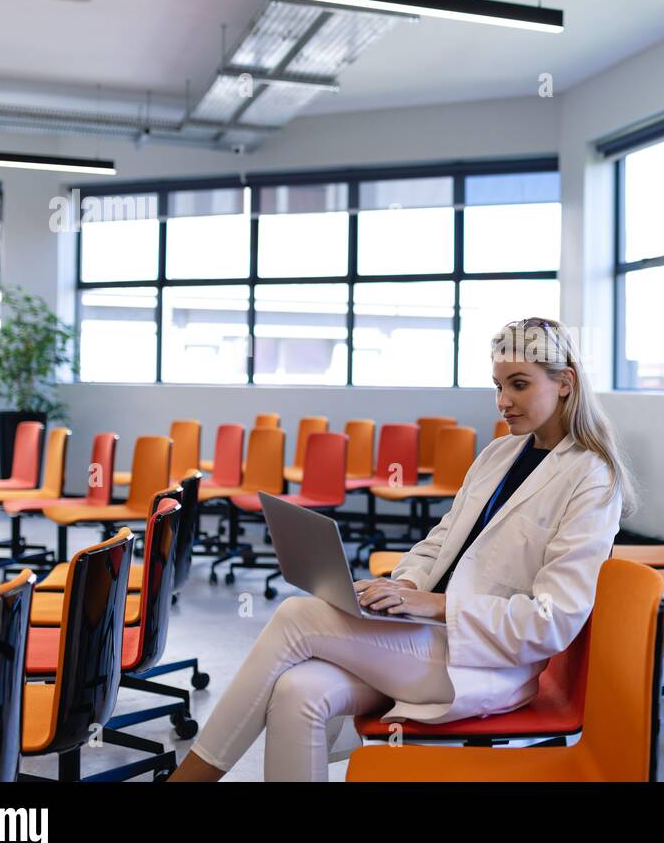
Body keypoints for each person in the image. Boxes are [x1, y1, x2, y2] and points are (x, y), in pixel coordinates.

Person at [170, 316, 636, 781]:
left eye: (518, 384)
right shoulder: (500, 454)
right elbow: (442, 540)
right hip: (427, 637)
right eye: (497, 386)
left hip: (486, 661)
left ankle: (189, 778)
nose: (503, 402)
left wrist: (436, 605)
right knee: (298, 690)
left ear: (565, 383)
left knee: (296, 617)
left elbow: (551, 621)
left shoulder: (592, 478)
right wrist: (403, 585)